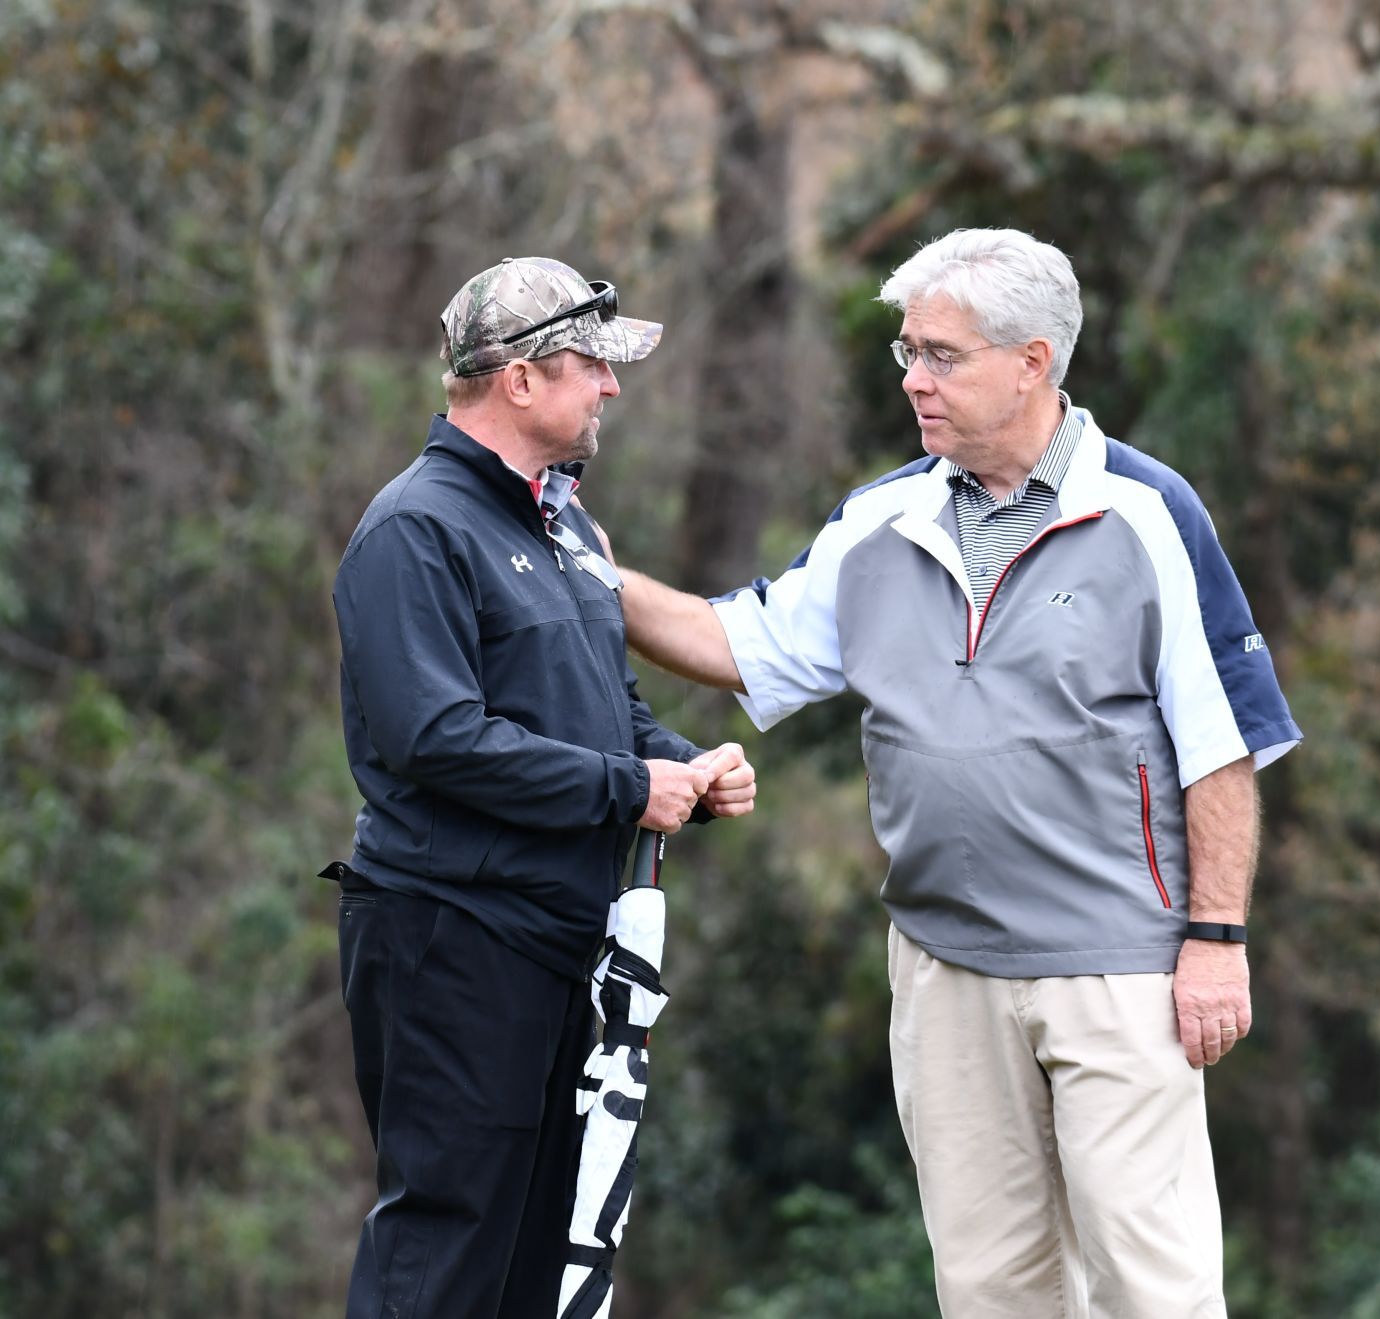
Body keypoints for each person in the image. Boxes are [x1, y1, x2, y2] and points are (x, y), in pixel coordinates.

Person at [609, 228, 1301, 1317]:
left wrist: (1217, 940)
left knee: (1151, 1287)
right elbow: (737, 642)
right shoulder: (882, 518)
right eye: (908, 353)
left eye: (941, 355)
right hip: (942, 966)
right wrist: (584, 574)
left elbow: (1222, 744)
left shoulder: (1150, 511)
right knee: (986, 1289)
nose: (914, 380)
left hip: (1121, 967)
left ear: (1033, 361)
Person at [322, 256, 756, 1319]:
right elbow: (436, 738)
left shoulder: (565, 528)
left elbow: (609, 705)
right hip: (451, 939)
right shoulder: (415, 528)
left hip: (560, 942)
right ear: (519, 380)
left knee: (540, 1260)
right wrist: (626, 786)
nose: (611, 385)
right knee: (447, 1250)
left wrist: (687, 765)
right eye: (590, 365)